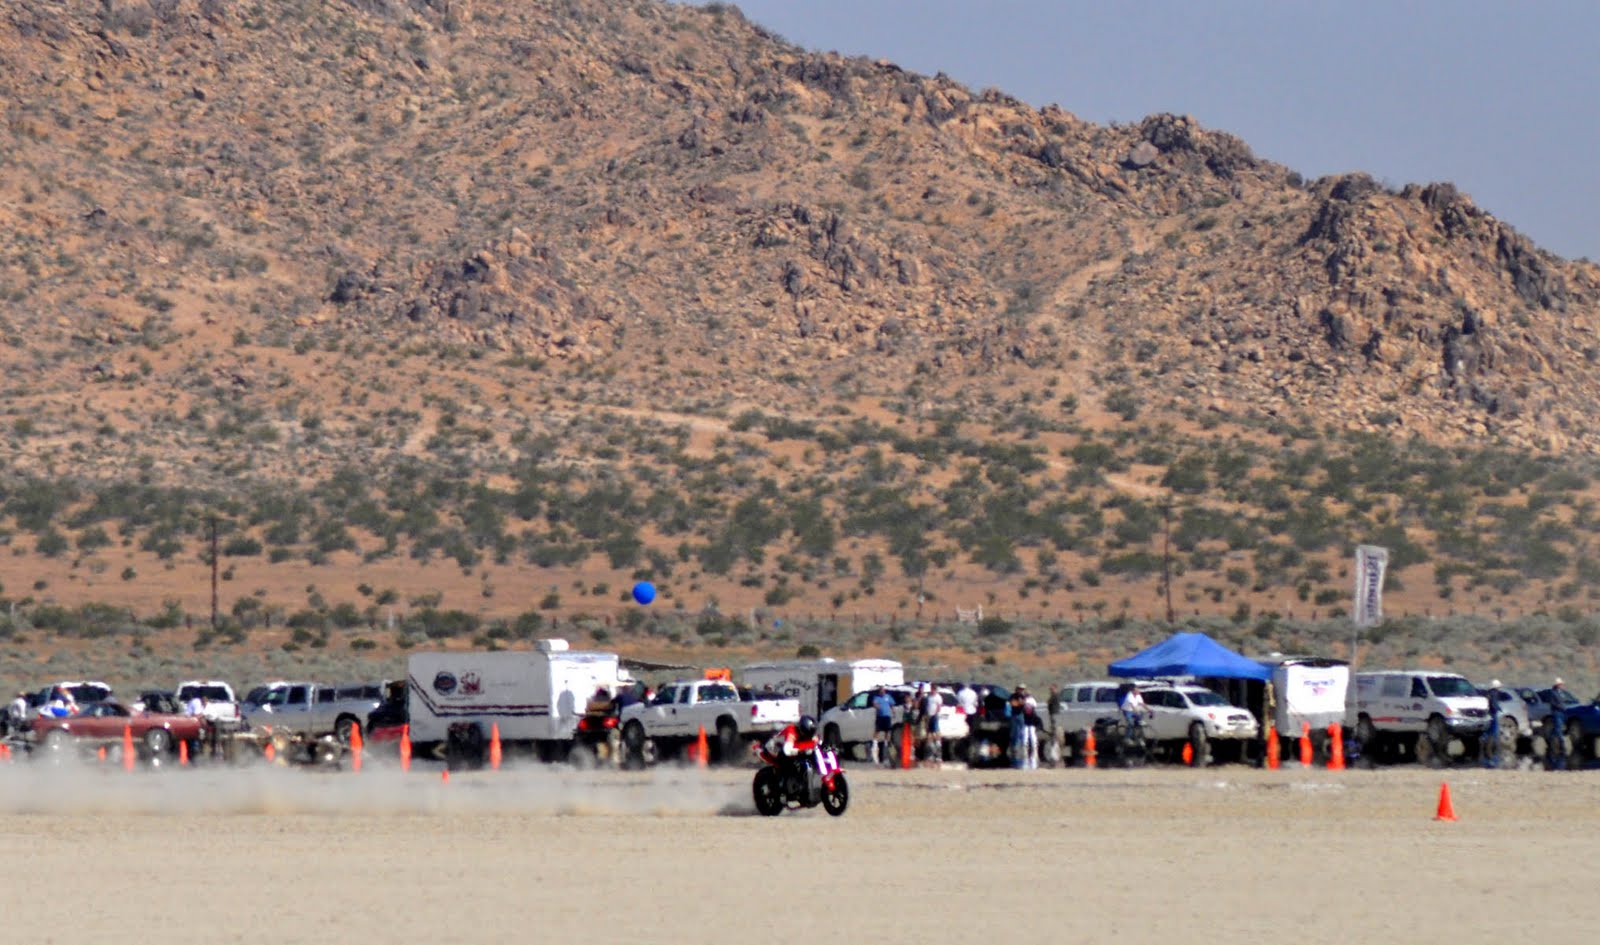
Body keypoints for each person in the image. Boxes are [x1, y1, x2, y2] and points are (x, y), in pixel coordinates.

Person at [762, 715, 819, 795]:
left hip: (794, 749)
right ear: (801, 729)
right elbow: (787, 750)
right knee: (789, 763)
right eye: (807, 734)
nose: (809, 737)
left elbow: (817, 743)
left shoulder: (810, 734)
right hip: (776, 749)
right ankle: (783, 786)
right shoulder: (791, 732)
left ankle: (806, 782)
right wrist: (799, 751)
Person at [1011, 697, 1043, 770]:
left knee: (1033, 739)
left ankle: (1033, 755)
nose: (1028, 709)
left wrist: (1038, 727)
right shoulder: (1023, 706)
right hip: (1026, 725)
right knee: (1025, 740)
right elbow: (1016, 705)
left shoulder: (1034, 714)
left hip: (1031, 726)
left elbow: (1038, 721)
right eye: (1027, 707)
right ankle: (1026, 755)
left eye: (1029, 707)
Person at [870, 685, 896, 766]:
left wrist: (893, 711)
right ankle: (874, 744)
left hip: (887, 717)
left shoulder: (888, 697)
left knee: (888, 732)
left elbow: (892, 705)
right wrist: (876, 706)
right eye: (881, 690)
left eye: (883, 690)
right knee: (877, 731)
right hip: (880, 717)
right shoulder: (876, 698)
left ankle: (886, 744)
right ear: (879, 691)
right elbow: (874, 704)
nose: (882, 691)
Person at [921, 685, 944, 763]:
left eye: (933, 689)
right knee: (929, 735)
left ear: (936, 690)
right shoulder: (929, 697)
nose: (932, 691)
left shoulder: (938, 697)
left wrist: (935, 714)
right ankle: (930, 755)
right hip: (929, 716)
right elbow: (927, 706)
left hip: (935, 716)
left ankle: (938, 755)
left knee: (936, 734)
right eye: (931, 689)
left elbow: (939, 707)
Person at [1046, 685, 1065, 768]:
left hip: (1055, 715)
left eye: (1052, 689)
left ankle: (1056, 760)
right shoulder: (1055, 696)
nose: (1051, 690)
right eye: (1050, 689)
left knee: (1055, 736)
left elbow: (1048, 702)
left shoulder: (1055, 696)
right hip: (1054, 715)